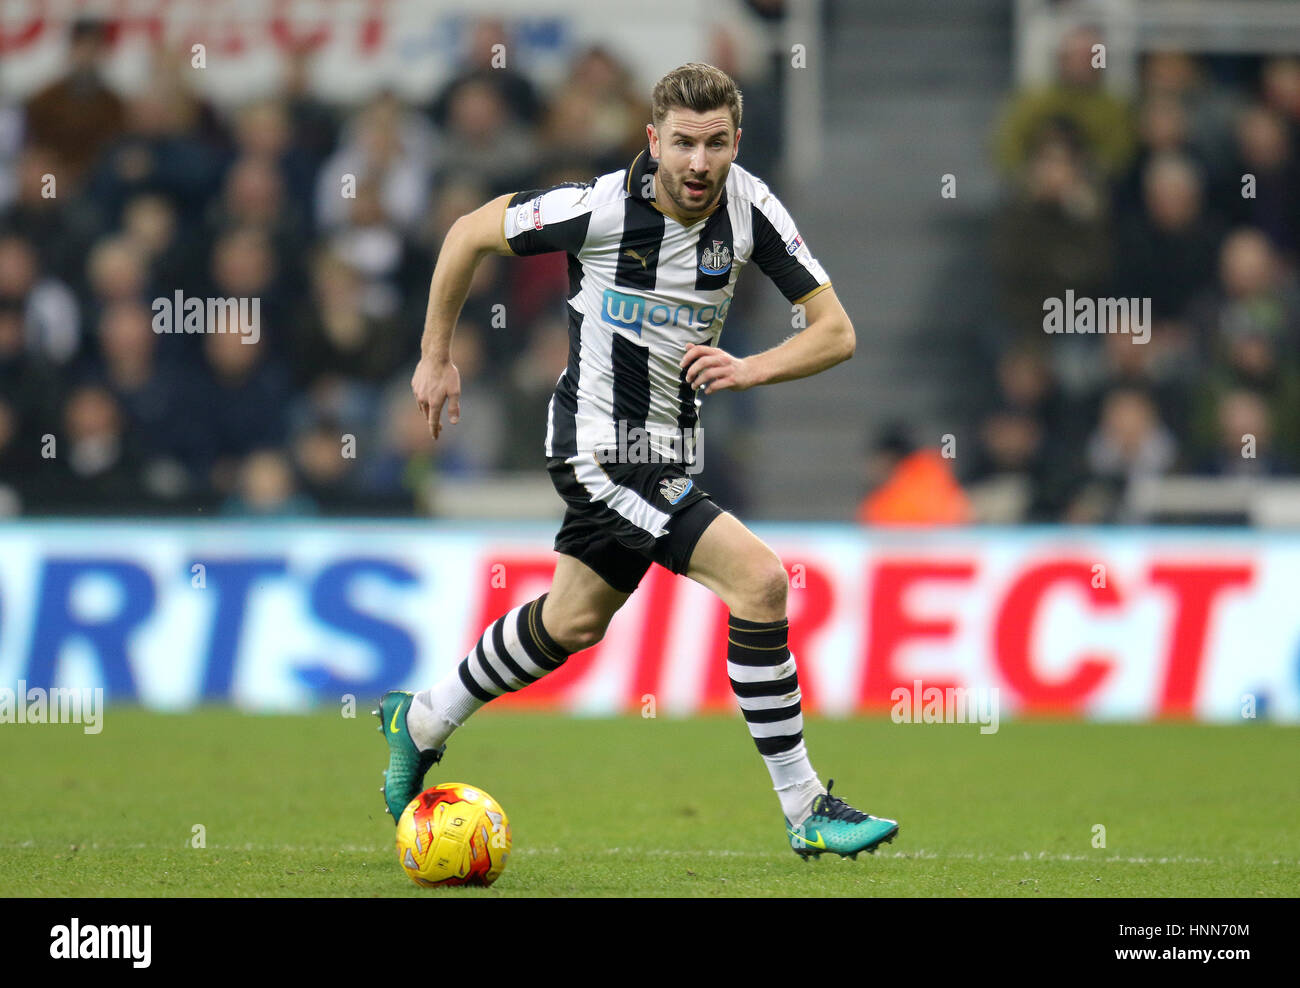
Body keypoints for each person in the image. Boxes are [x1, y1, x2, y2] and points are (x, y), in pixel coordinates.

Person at [376, 63, 898, 859]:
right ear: (653, 141)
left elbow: (836, 331)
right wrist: (436, 356)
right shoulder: (599, 207)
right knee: (758, 582)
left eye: (715, 143)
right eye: (683, 143)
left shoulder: (751, 206)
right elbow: (469, 231)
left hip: (670, 450)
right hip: (599, 447)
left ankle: (421, 719)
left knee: (573, 619)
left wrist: (752, 366)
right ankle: (805, 807)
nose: (699, 162)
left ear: (736, 143)